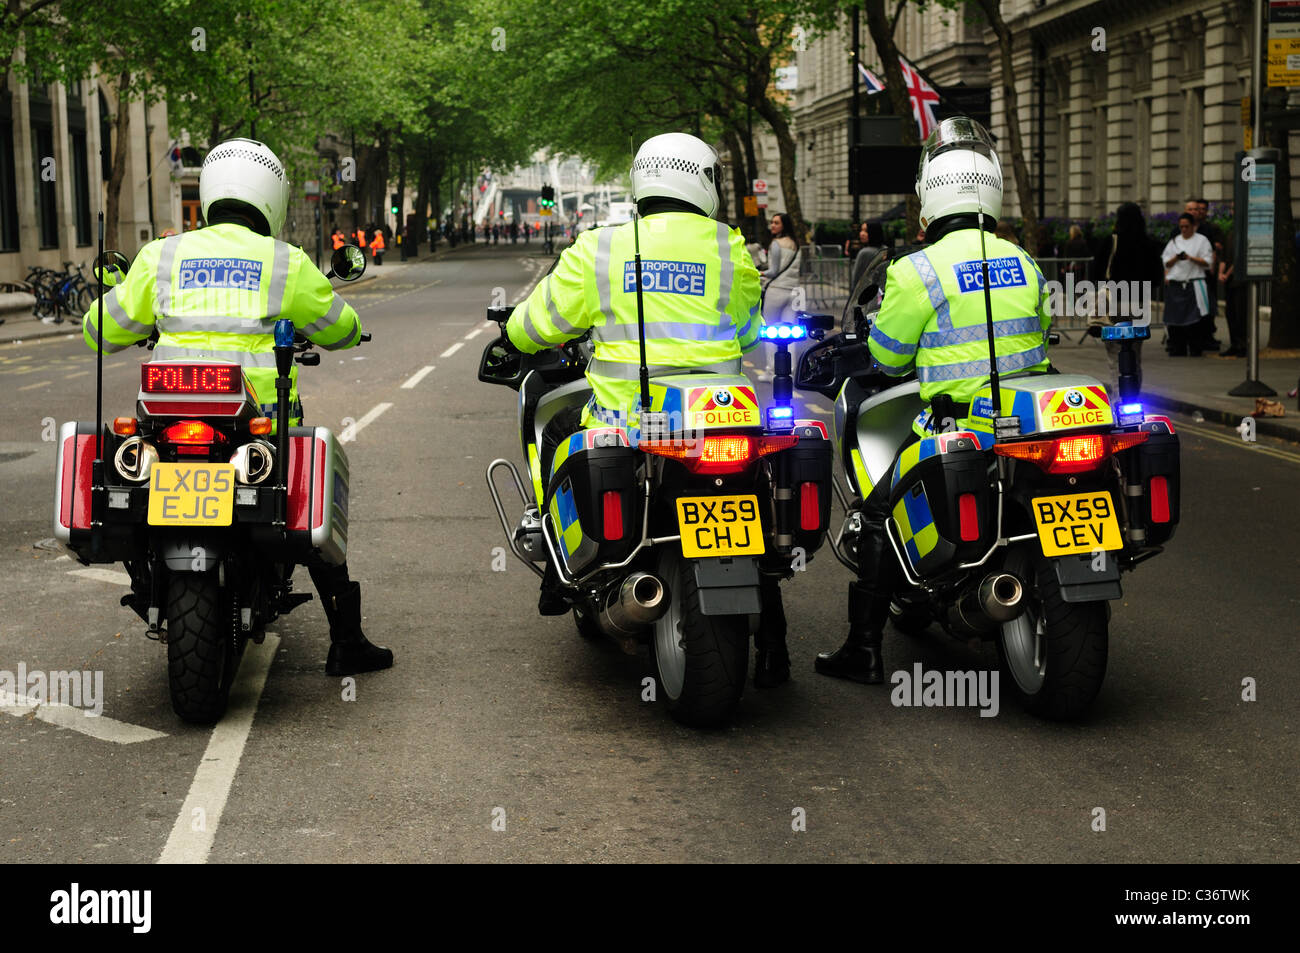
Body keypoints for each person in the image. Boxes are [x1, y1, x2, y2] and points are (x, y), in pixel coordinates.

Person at [81, 137, 392, 678]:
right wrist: (345, 328)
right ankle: (346, 639)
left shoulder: (163, 255)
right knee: (303, 502)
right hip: (257, 424)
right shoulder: (284, 262)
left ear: (207, 194)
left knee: (129, 483)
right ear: (271, 196)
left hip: (166, 420)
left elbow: (98, 331)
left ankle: (145, 573)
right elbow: (342, 328)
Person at [502, 132, 792, 687]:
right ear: (704, 181)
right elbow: (751, 333)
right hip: (721, 418)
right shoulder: (728, 247)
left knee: (557, 428)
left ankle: (562, 561)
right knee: (754, 493)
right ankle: (772, 632)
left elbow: (535, 326)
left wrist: (513, 332)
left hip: (629, 421)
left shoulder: (601, 248)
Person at [816, 117, 1051, 685]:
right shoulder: (1023, 261)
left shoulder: (917, 268)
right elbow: (1041, 337)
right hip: (1027, 425)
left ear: (930, 199)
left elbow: (890, 356)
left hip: (957, 424)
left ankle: (864, 648)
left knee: (875, 513)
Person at [1090, 202, 1162, 397]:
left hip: (1114, 303)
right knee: (1135, 354)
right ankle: (1134, 397)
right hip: (1139, 305)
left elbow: (1096, 271)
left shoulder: (1111, 241)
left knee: (1114, 355)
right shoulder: (1148, 243)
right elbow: (1157, 277)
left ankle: (1119, 398)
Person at [758, 211, 802, 382]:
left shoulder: (776, 244)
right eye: (772, 222)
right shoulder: (796, 244)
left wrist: (759, 272)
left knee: (769, 331)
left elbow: (773, 271)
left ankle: (771, 371)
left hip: (776, 290)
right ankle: (791, 370)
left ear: (784, 225)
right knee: (791, 333)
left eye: (776, 223)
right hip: (793, 292)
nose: (772, 226)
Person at [1161, 212, 1213, 357]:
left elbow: (1208, 262)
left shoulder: (1202, 241)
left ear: (1193, 227)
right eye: (1181, 227)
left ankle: (1195, 347)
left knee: (1194, 319)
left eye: (1187, 227)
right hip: (1176, 282)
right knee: (1175, 320)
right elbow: (1166, 262)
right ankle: (1178, 348)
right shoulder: (1174, 242)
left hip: (1193, 283)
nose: (1184, 230)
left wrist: (1190, 258)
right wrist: (1176, 258)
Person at [1218, 222, 1247, 357]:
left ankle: (1243, 344)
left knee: (1240, 313)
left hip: (1239, 281)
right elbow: (1223, 258)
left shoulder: (1244, 233)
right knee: (1231, 313)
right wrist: (1221, 273)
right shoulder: (1230, 233)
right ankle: (1234, 344)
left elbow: (1240, 258)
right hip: (1229, 282)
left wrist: (1226, 274)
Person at [850, 221, 886, 291]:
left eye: (866, 231)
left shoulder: (864, 253)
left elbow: (856, 279)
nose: (861, 234)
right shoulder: (885, 249)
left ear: (874, 232)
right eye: (861, 230)